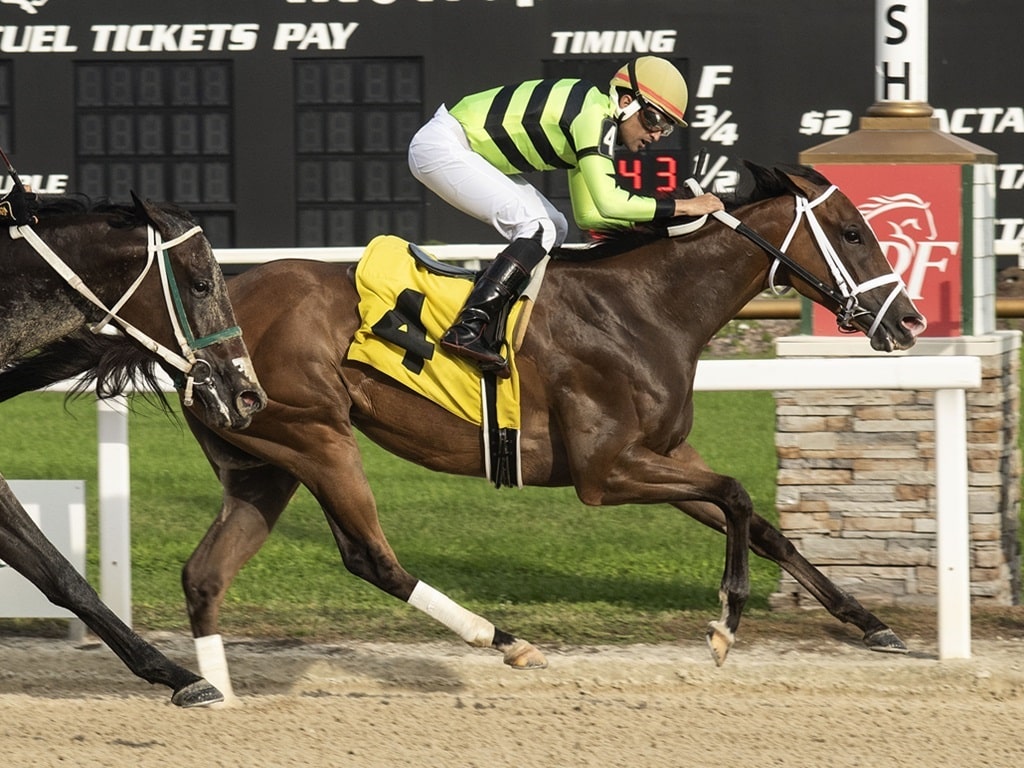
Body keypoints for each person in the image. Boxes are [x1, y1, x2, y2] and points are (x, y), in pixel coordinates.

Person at [408, 55, 724, 378]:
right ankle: (469, 326)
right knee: (538, 226)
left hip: (459, 147)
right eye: (654, 119)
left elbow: (589, 216)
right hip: (444, 146)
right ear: (626, 102)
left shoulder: (592, 115)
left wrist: (662, 226)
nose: (657, 134)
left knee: (556, 226)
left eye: (666, 128)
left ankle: (504, 323)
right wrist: (683, 207)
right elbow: (610, 203)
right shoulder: (593, 117)